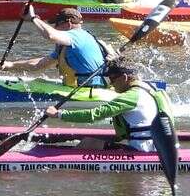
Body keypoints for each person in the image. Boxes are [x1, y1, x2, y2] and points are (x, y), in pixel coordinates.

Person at [42, 59, 172, 151]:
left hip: (142, 149)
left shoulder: (130, 97)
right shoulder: (151, 88)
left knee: (89, 142)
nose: (111, 84)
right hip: (160, 146)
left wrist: (59, 114)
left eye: (112, 79)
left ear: (124, 77)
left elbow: (93, 115)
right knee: (101, 141)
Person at [0, 6, 111, 88]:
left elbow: (50, 35)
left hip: (88, 90)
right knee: (39, 81)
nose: (55, 28)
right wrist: (10, 65)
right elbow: (39, 64)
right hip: (89, 86)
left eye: (57, 24)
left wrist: (33, 18)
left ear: (68, 23)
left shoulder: (76, 36)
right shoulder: (77, 41)